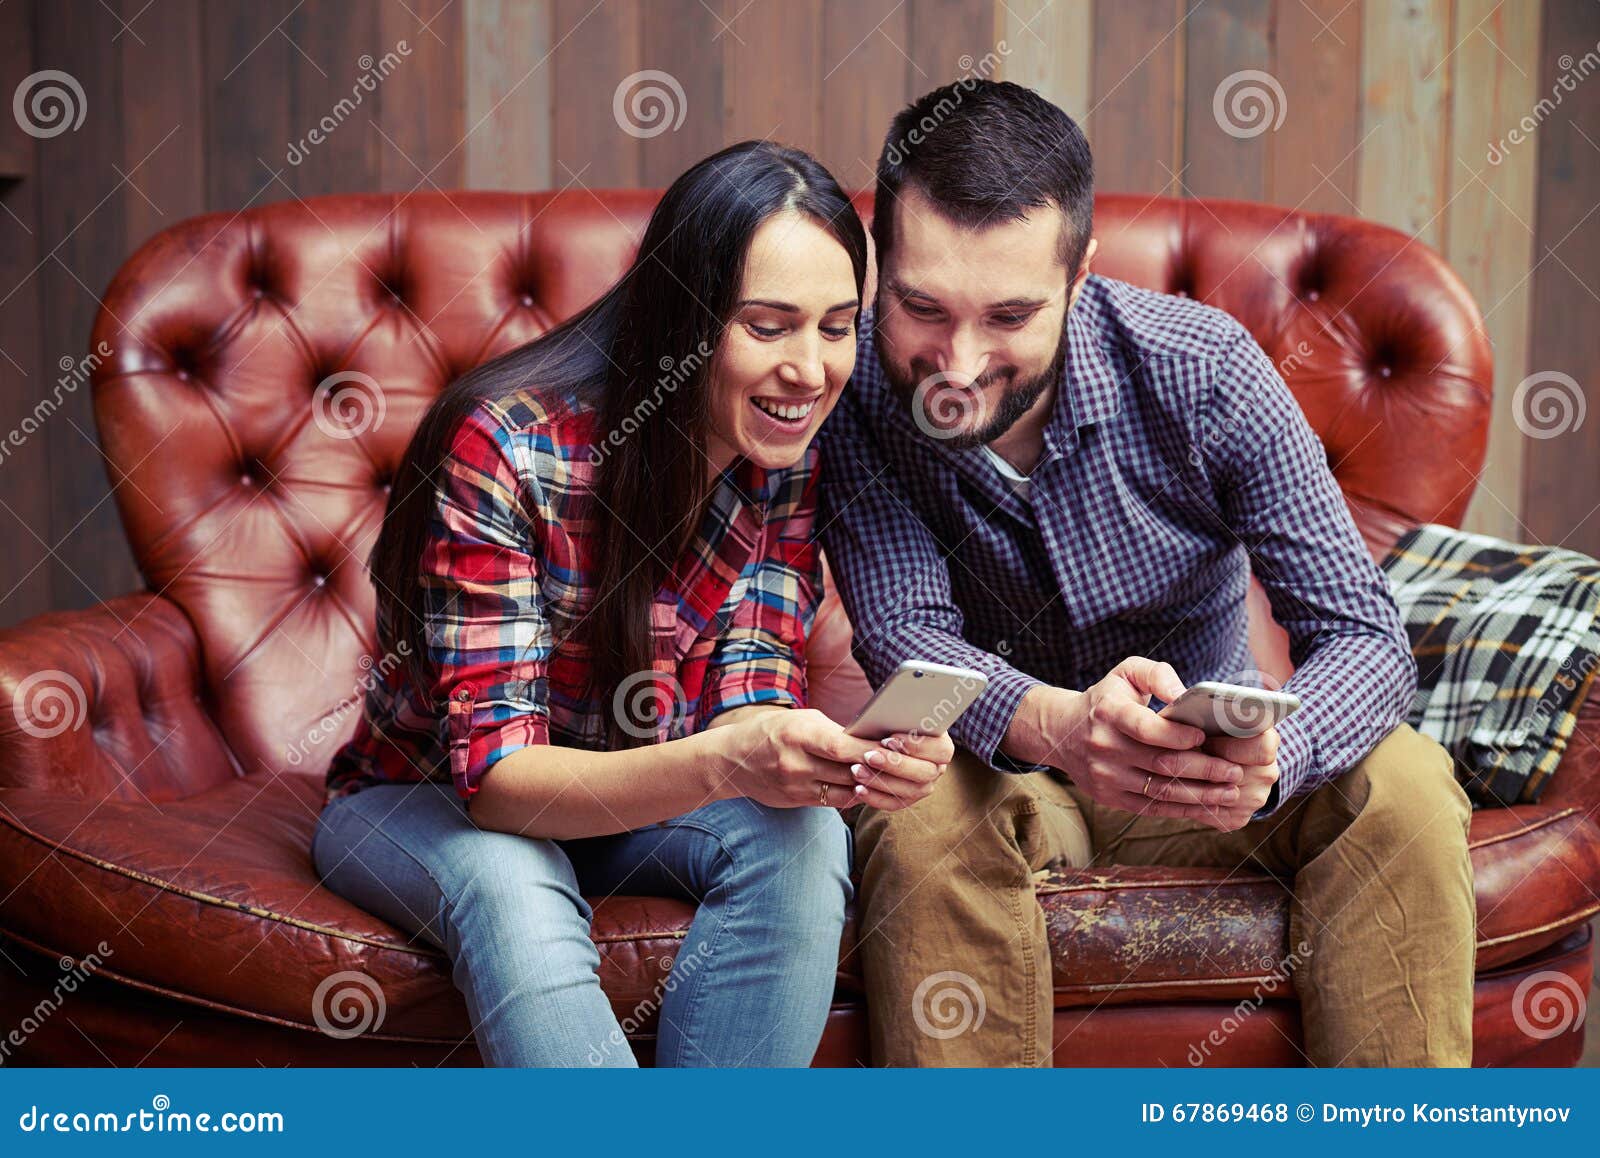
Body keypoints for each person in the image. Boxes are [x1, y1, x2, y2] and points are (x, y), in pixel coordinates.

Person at [818, 81, 1474, 1067]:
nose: (956, 363)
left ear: (1078, 275)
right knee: (906, 812)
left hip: (1203, 790)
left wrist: (1268, 764)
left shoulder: (1204, 370)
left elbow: (1363, 639)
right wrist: (1058, 726)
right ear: (882, 267)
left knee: (1409, 782)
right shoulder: (856, 387)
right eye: (921, 308)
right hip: (1004, 786)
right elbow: (906, 638)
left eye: (1008, 316)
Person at [313, 140, 952, 1068]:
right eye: (767, 326)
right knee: (510, 876)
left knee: (806, 836)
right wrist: (730, 759)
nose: (811, 370)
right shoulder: (509, 446)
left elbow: (750, 704)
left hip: (634, 794)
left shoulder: (789, 447)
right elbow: (496, 784)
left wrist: (841, 764)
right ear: (683, 320)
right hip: (423, 798)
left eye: (837, 326)